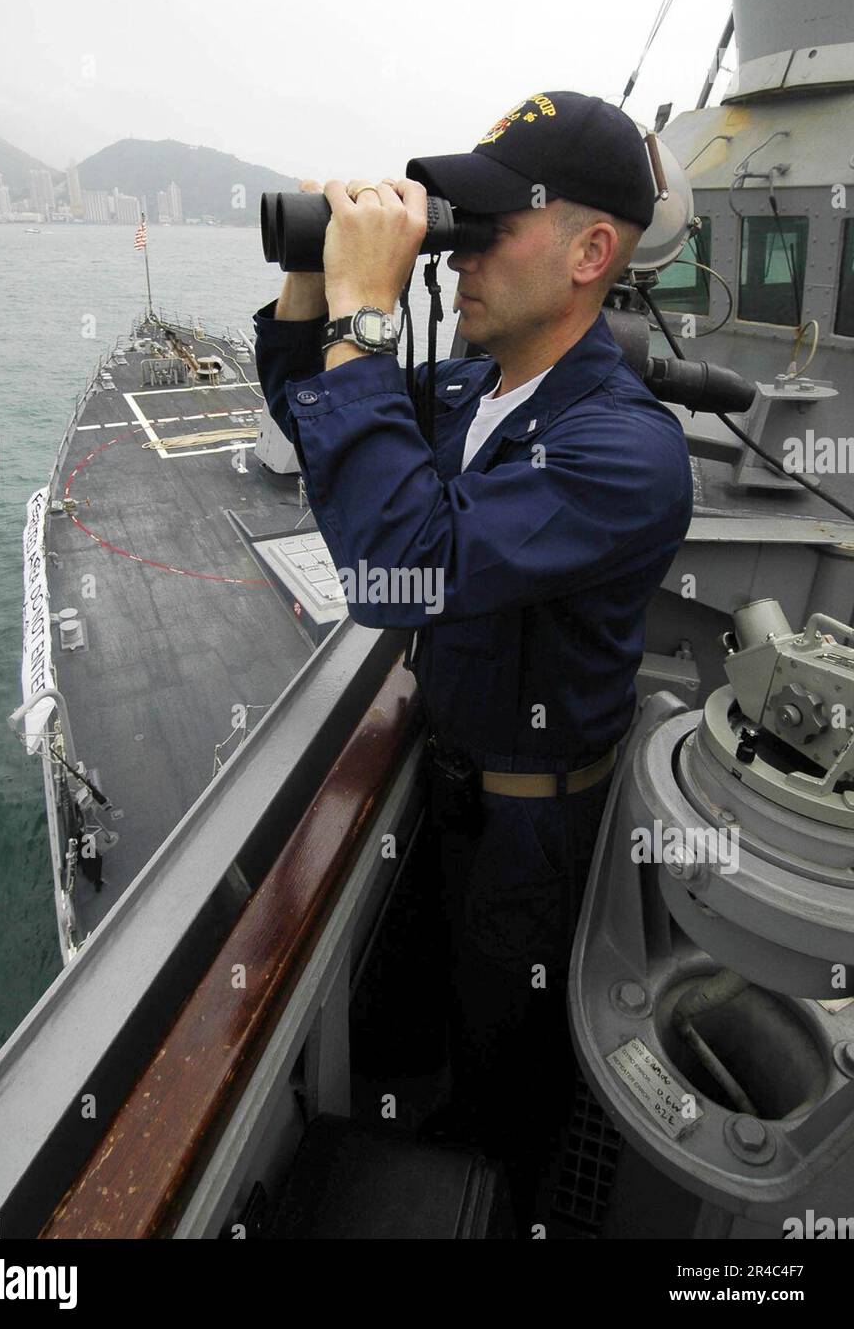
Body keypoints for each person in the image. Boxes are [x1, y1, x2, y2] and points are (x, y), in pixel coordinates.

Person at [252, 90, 694, 1227]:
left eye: (486, 230)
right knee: (419, 1047)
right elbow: (328, 430)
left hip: (533, 845)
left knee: (509, 1090)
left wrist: (367, 310)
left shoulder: (625, 451)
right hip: (443, 792)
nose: (458, 258)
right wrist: (314, 291)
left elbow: (400, 555)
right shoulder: (470, 389)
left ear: (593, 250)